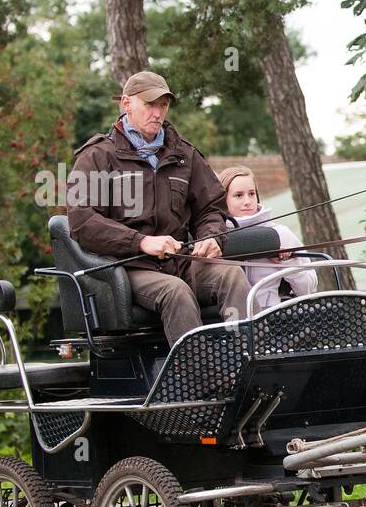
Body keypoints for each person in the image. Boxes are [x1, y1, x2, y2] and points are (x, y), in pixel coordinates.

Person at [66, 70, 250, 345]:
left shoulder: (184, 154)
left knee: (232, 275)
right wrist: (140, 242)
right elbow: (82, 222)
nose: (157, 112)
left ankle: (250, 369)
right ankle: (200, 383)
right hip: (128, 268)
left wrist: (212, 236)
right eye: (150, 104)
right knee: (175, 291)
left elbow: (211, 207)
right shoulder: (97, 156)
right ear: (126, 104)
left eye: (163, 105)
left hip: (181, 261)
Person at [217, 166, 317, 310]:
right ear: (222, 199)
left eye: (251, 194)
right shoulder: (210, 237)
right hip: (228, 318)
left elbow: (308, 290)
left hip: (270, 314)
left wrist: (288, 262)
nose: (247, 201)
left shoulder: (280, 233)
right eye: (238, 195)